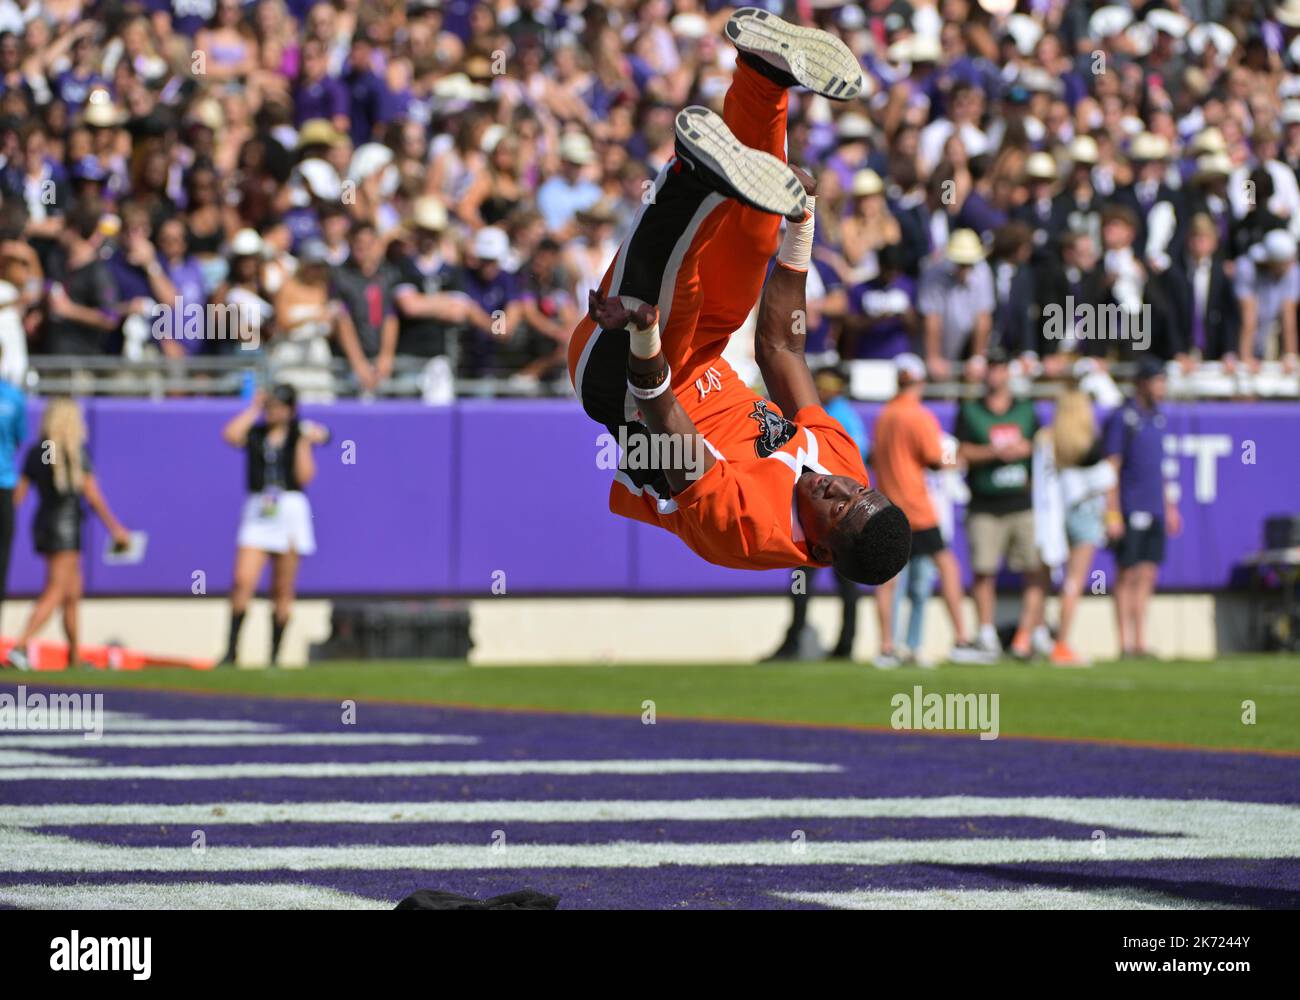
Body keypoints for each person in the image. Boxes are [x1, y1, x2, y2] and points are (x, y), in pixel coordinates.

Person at [569, 10, 910, 586]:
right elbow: (780, 348)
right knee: (755, 236)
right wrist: (801, 230)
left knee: (679, 295)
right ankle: (763, 75)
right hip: (708, 353)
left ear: (821, 552)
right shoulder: (846, 468)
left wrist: (646, 337)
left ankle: (693, 177)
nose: (838, 486)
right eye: (857, 491)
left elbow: (663, 423)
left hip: (632, 389)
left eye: (838, 508)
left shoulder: (750, 530)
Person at [871, 354, 986, 667]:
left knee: (888, 577)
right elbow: (937, 459)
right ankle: (962, 639)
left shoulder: (885, 415)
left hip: (888, 506)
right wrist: (961, 459)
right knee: (947, 567)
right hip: (916, 508)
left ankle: (886, 646)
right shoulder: (918, 415)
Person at [5, 399, 131, 671]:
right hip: (66, 526)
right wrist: (116, 528)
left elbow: (20, 493)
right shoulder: (73, 452)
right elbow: (93, 494)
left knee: (72, 593)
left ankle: (74, 657)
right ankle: (20, 646)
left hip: (44, 524)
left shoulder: (37, 451)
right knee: (57, 589)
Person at [219, 384, 329, 667]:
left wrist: (304, 440)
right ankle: (231, 652)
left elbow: (305, 476)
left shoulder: (298, 435)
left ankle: (274, 655)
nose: (272, 412)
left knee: (282, 587)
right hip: (259, 509)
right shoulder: (256, 435)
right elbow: (230, 434)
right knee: (243, 580)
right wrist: (254, 407)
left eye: (278, 406)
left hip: (289, 509)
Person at [765, 368, 868, 661]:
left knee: (845, 584)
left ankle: (845, 645)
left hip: (839, 520)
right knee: (801, 580)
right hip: (815, 518)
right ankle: (794, 641)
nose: (821, 389)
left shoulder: (841, 414)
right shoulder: (816, 414)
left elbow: (859, 454)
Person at [955, 348, 1047, 660]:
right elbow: (960, 452)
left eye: (1000, 367)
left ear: (1008, 372)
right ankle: (985, 632)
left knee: (1034, 568)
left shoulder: (1025, 409)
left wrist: (1024, 448)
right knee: (984, 569)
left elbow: (1042, 447)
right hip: (985, 502)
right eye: (990, 368)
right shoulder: (970, 411)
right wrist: (995, 452)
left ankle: (1026, 634)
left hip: (1021, 502)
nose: (995, 374)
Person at [1102, 360, 1181, 659]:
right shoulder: (1124, 418)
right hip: (1130, 507)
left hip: (1154, 507)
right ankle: (1123, 642)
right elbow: (1112, 468)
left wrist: (1169, 506)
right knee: (1127, 574)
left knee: (1148, 572)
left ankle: (1140, 640)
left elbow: (1162, 469)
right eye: (1158, 381)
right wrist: (1112, 512)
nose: (1162, 387)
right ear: (1142, 383)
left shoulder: (1158, 418)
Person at [1031, 387, 1115, 667]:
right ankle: (1062, 642)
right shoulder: (1089, 442)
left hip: (1052, 514)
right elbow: (1105, 479)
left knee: (1042, 578)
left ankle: (1035, 633)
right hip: (1084, 513)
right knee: (1073, 581)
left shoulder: (1048, 438)